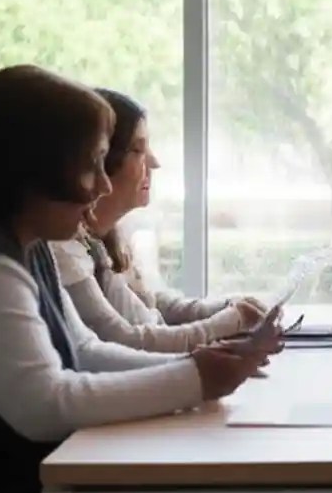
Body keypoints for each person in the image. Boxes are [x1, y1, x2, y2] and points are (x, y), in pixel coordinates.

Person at [0, 66, 276, 493]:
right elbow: (45, 405)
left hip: (58, 489)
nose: (104, 185)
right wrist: (196, 378)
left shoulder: (29, 243)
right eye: (91, 165)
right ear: (32, 168)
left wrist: (205, 364)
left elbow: (84, 352)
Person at [51, 89, 264, 352]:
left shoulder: (110, 237)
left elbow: (150, 304)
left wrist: (228, 308)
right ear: (102, 161)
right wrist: (228, 323)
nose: (154, 162)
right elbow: (123, 340)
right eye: (138, 149)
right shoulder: (66, 251)